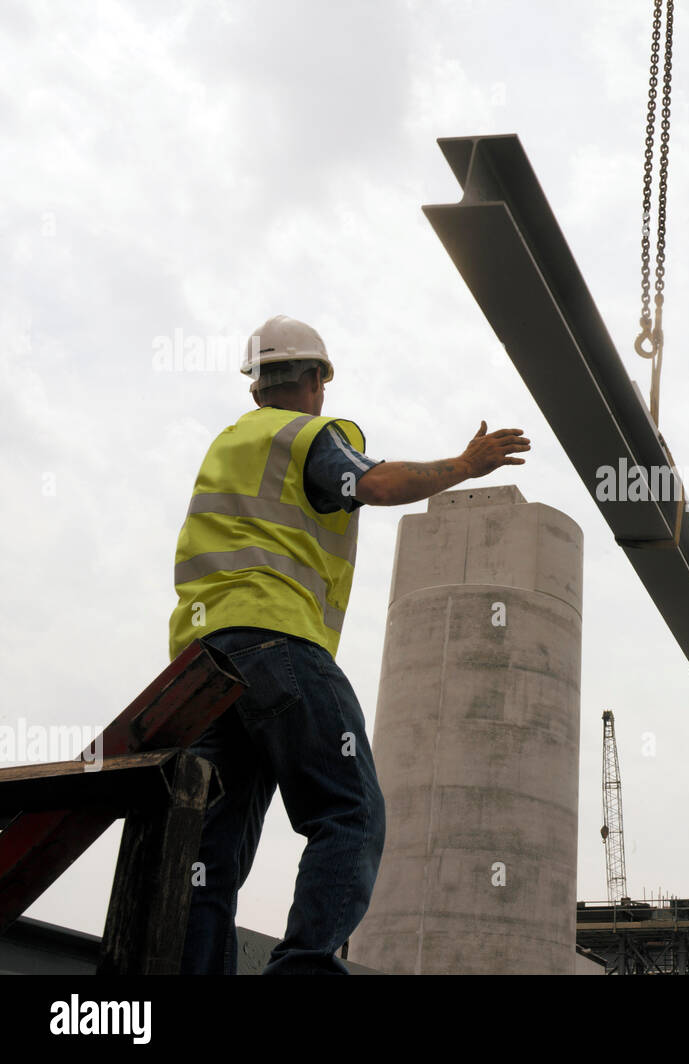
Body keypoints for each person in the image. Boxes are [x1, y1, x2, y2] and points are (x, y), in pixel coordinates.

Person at [171, 314, 530, 974]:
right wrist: (465, 463)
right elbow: (376, 484)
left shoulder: (227, 446)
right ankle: (304, 969)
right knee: (349, 813)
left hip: (199, 671)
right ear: (315, 380)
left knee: (205, 861)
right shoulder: (308, 436)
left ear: (255, 387)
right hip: (277, 645)